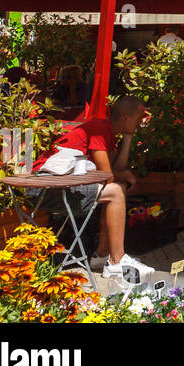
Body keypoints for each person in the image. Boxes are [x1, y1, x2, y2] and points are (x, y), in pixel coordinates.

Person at [32, 96, 151, 279]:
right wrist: (123, 175)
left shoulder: (108, 132)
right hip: (46, 186)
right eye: (138, 118)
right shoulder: (99, 129)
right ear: (126, 118)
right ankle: (116, 261)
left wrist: (127, 139)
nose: (141, 123)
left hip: (63, 185)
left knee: (116, 189)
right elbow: (107, 175)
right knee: (116, 191)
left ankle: (102, 255)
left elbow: (114, 170)